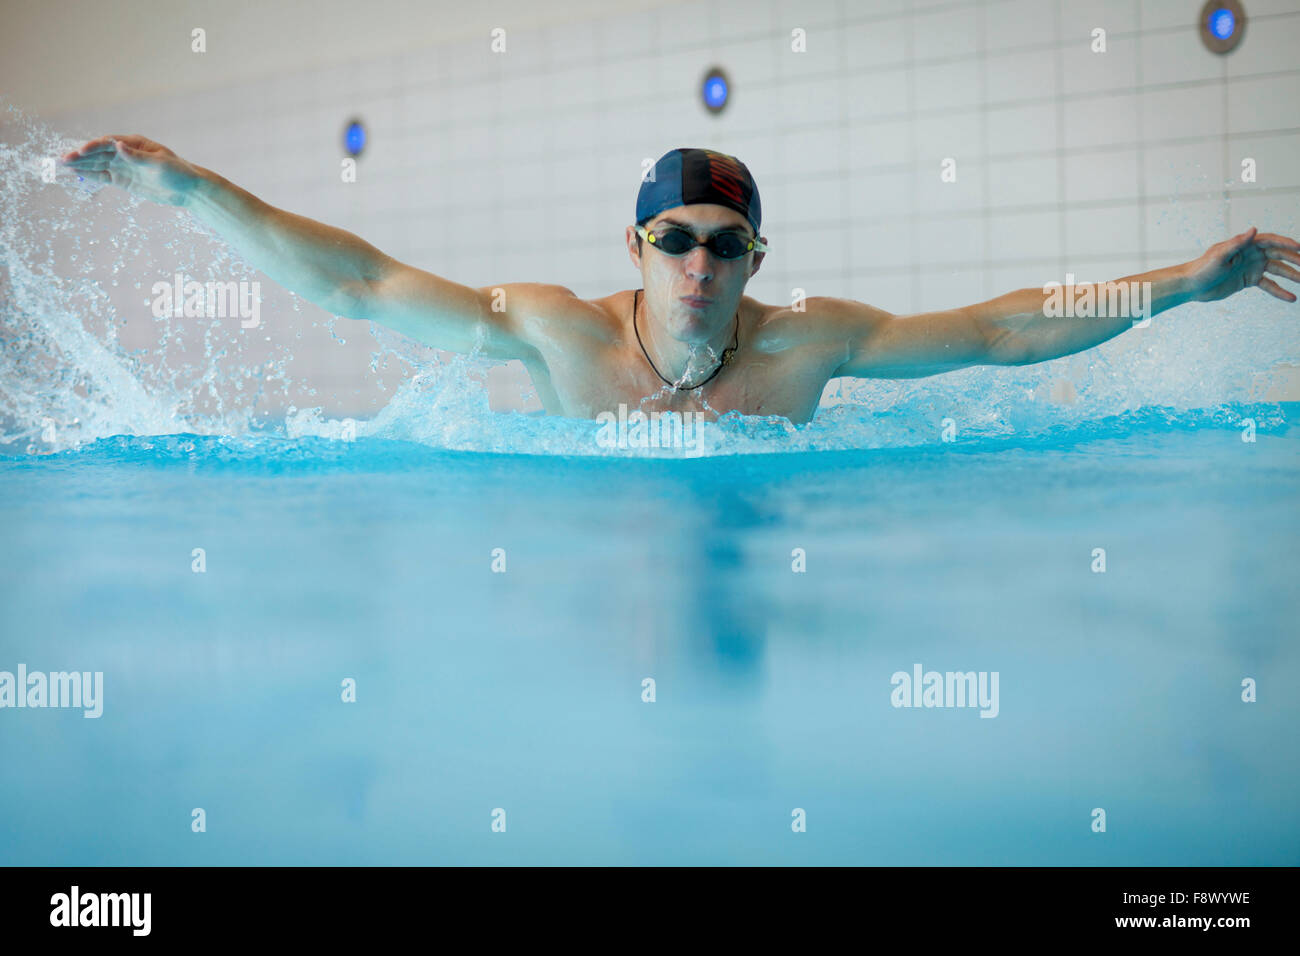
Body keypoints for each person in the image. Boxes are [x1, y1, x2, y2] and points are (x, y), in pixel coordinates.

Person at [61, 138, 1300, 425]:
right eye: (676, 239)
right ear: (635, 247)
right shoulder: (556, 333)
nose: (698, 261)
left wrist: (1189, 284)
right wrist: (185, 188)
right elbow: (364, 286)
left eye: (724, 242)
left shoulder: (807, 344)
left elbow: (1002, 334)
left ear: (756, 260)